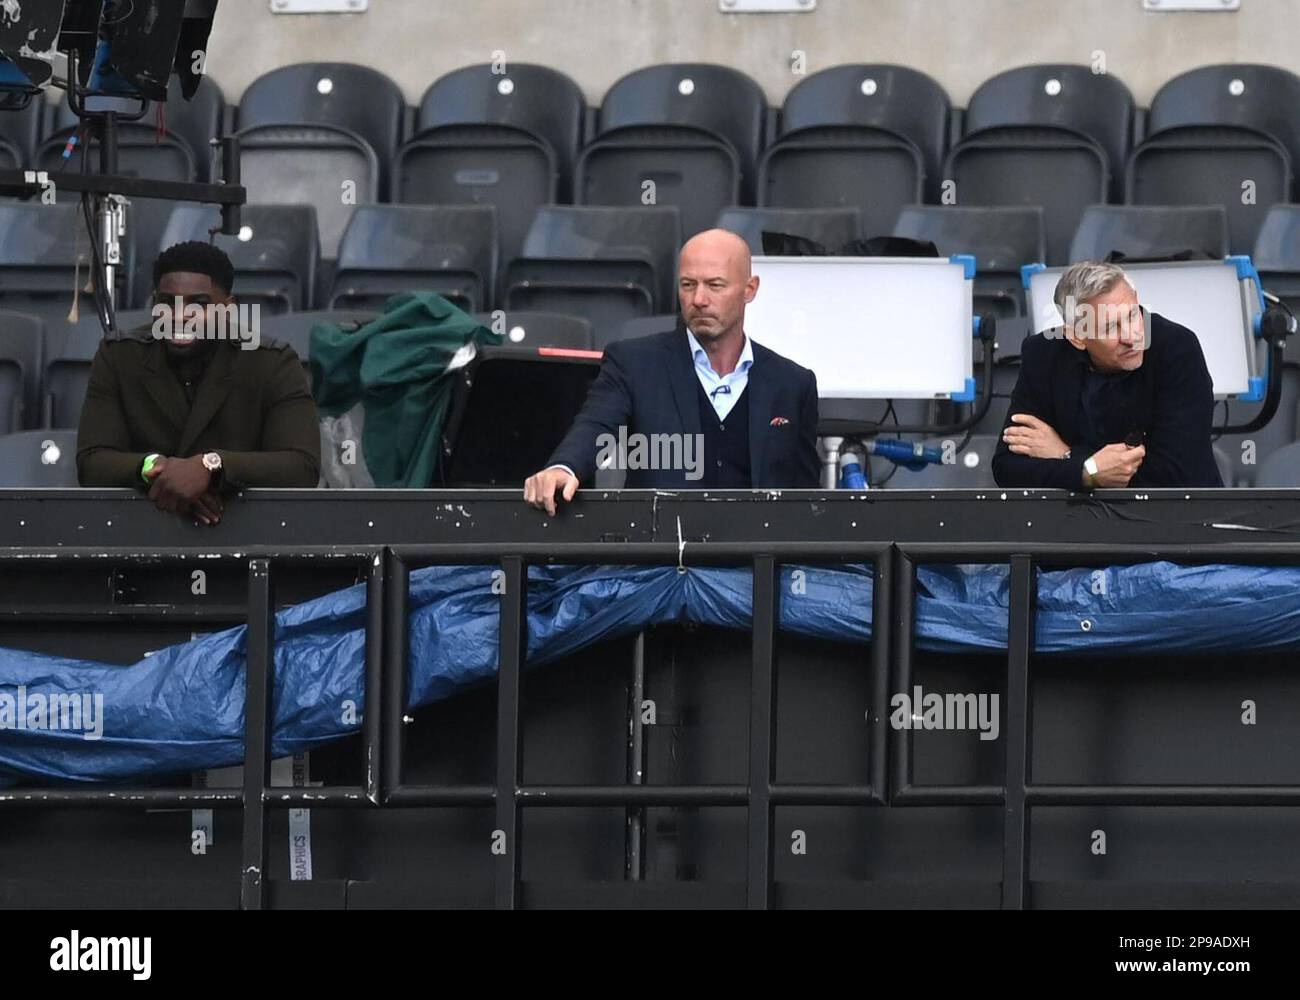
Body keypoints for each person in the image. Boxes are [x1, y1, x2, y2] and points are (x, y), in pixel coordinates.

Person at [524, 229, 820, 514]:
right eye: (688, 285)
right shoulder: (633, 363)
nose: (699, 300)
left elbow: (807, 501)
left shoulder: (793, 383)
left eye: (715, 285)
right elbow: (595, 424)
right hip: (660, 560)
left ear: (750, 289)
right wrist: (563, 467)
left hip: (760, 562)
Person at [77, 241, 321, 523]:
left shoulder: (271, 362)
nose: (180, 316)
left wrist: (211, 467)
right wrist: (159, 469)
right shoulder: (119, 356)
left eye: (200, 304)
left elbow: (302, 466)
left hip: (246, 533)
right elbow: (92, 462)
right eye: (168, 302)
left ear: (228, 309)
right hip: (141, 531)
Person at [992, 260, 1222, 489]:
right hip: (1076, 521)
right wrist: (1091, 471)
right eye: (1111, 328)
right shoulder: (1043, 353)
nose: (1132, 337)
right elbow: (1008, 468)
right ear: (1076, 337)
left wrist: (1069, 456)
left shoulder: (1177, 347)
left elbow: (1177, 475)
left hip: (1178, 519)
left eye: (1133, 315)